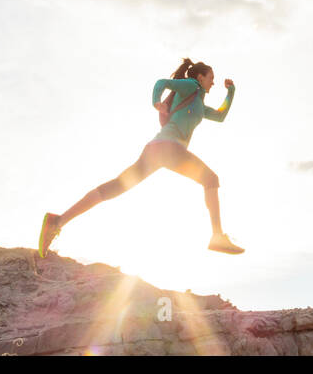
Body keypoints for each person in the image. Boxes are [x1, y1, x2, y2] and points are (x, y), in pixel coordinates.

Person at [37, 57, 244, 257]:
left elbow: (220, 115)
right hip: (169, 148)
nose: (213, 82)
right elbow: (161, 83)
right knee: (210, 179)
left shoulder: (199, 104)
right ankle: (217, 236)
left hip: (157, 151)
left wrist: (231, 92)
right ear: (200, 77)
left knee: (117, 186)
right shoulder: (191, 86)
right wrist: (156, 102)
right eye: (210, 78)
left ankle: (58, 221)